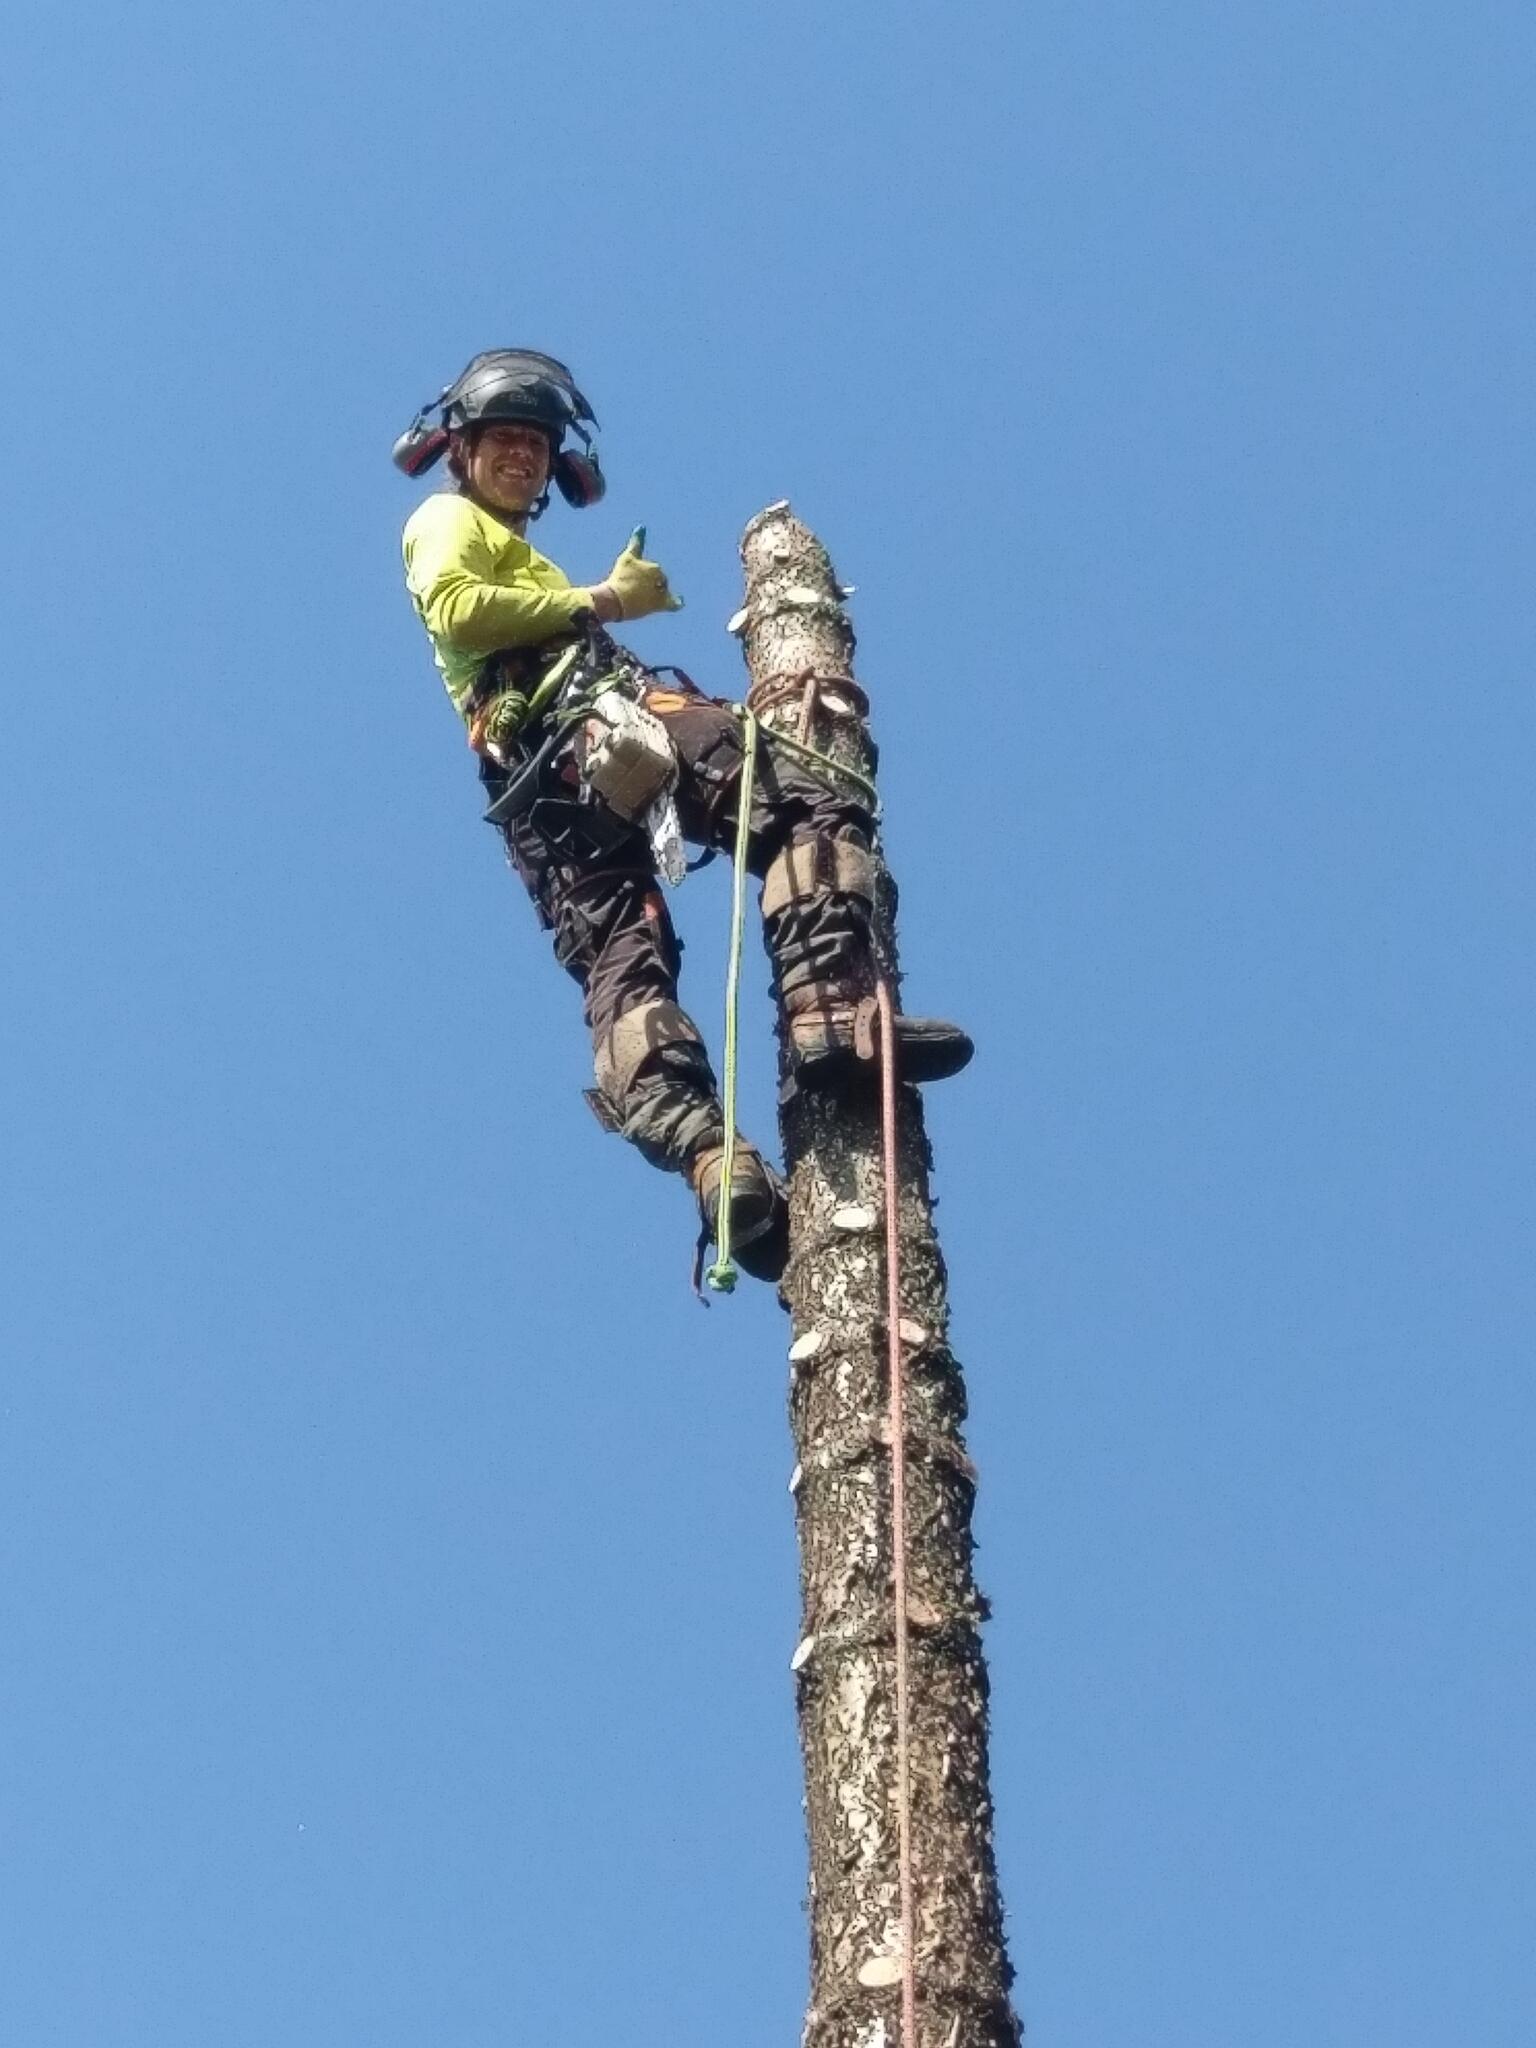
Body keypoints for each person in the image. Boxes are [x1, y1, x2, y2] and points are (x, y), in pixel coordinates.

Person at [396, 350, 970, 1285]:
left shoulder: (510, 547)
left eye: (535, 446)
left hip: (544, 801)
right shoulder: (443, 519)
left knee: (622, 967)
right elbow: (461, 612)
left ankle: (715, 1166)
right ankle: (825, 1019)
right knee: (802, 795)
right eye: (504, 440)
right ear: (460, 449)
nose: (522, 458)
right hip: (589, 726)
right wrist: (605, 600)